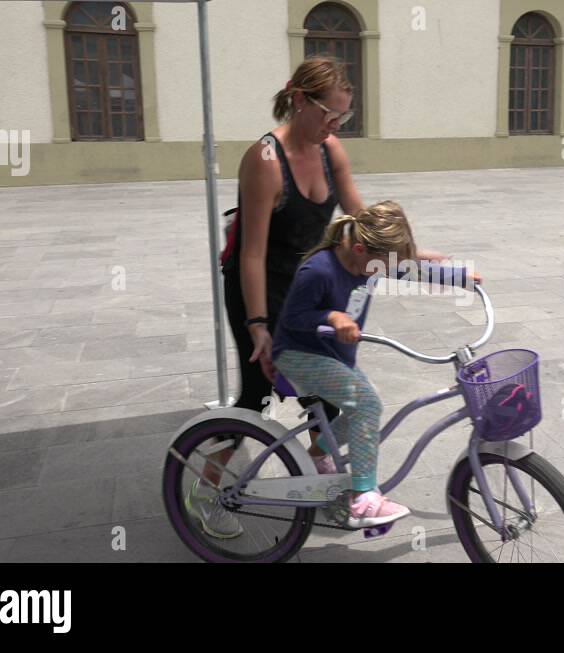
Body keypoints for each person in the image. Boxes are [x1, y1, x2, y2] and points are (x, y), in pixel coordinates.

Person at [185, 57, 455, 539]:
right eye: (331, 114)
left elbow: (358, 216)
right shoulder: (264, 161)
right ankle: (207, 492)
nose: (336, 125)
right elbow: (251, 254)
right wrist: (259, 326)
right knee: (256, 392)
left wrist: (412, 255)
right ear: (300, 101)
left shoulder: (331, 150)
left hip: (311, 282)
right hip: (259, 284)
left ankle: (327, 487)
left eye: (343, 117)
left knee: (328, 396)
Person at [272, 201, 472, 528]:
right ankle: (364, 498)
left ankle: (318, 457)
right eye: (382, 266)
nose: (384, 272)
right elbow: (292, 318)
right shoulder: (319, 270)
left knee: (363, 405)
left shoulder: (369, 262)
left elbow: (410, 268)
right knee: (366, 404)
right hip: (298, 355)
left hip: (333, 355)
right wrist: (332, 316)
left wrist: (460, 276)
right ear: (361, 248)